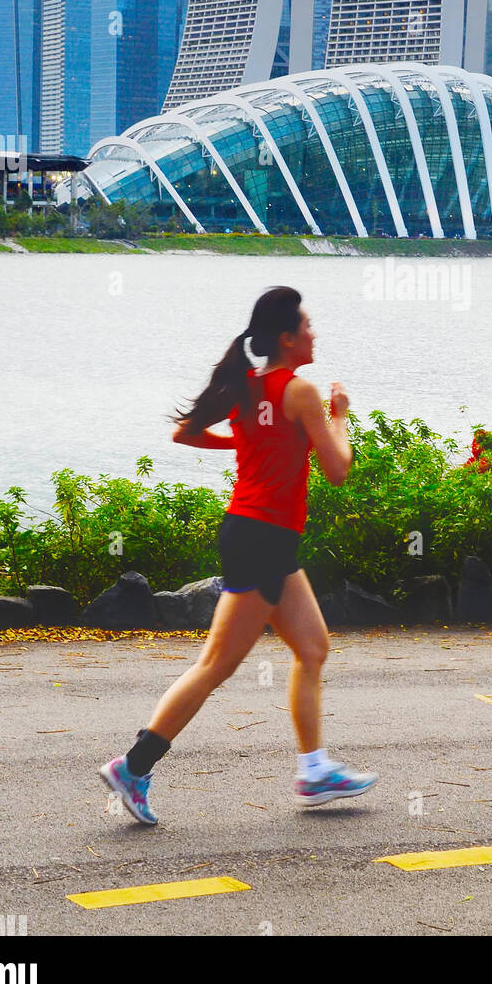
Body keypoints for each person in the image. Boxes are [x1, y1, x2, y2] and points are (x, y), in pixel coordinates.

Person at [98, 285, 378, 824]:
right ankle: (134, 766)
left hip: (256, 534)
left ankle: (314, 769)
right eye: (309, 327)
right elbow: (338, 469)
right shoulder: (301, 392)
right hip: (264, 538)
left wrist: (247, 442)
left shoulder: (248, 387)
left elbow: (186, 433)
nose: (315, 334)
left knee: (313, 648)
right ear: (288, 338)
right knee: (216, 665)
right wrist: (340, 416)